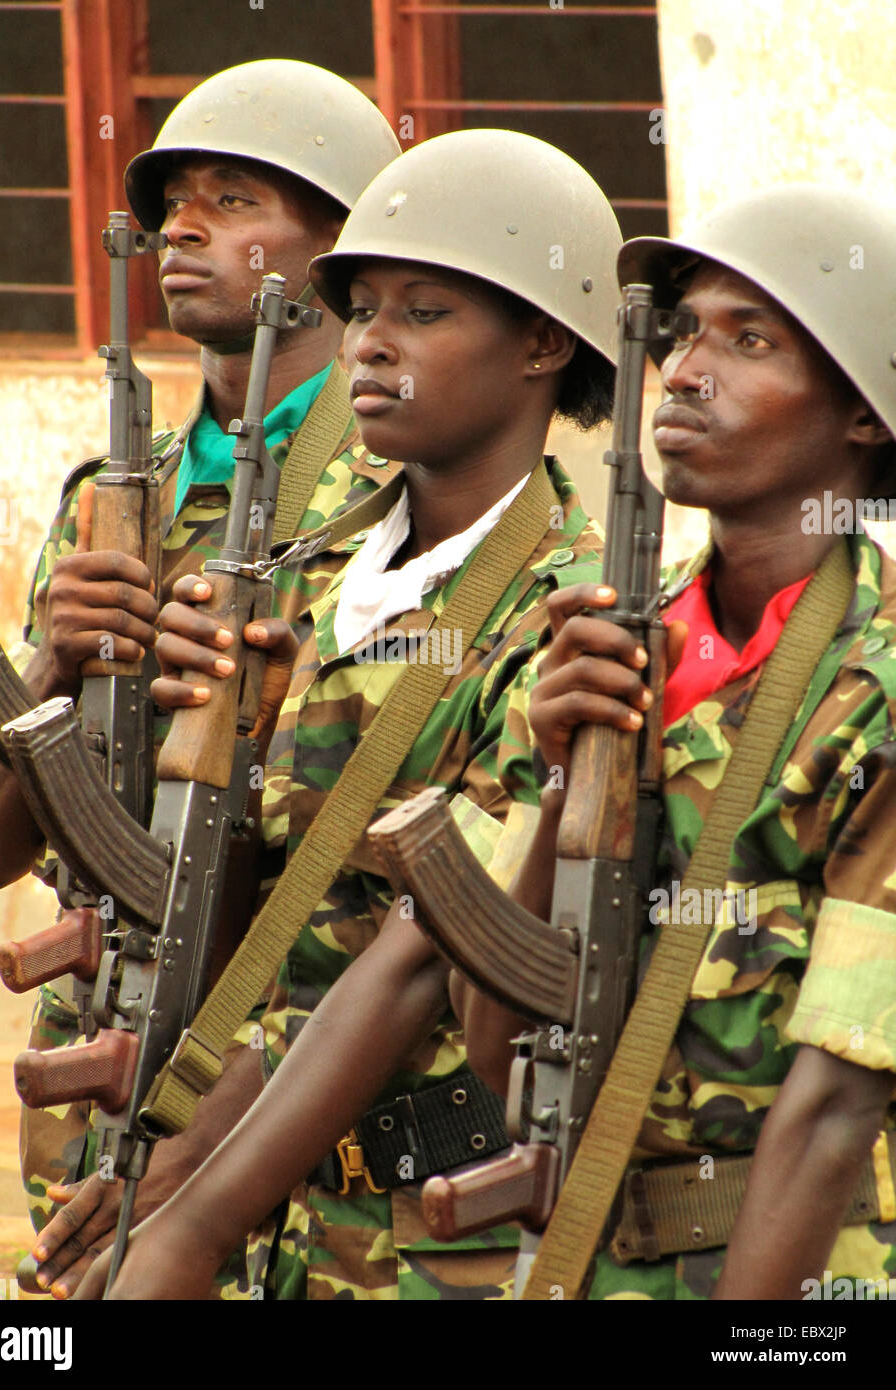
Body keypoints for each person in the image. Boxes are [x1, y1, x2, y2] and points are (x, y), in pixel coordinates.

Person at [71, 126, 622, 1300]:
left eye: (422, 313)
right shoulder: (304, 574)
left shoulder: (569, 616)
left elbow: (432, 966)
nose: (370, 342)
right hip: (249, 1188)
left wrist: (194, 1204)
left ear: (541, 340)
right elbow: (228, 900)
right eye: (363, 307)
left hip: (420, 1239)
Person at [0, 59, 400, 1291]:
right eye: (176, 204)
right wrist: (57, 654)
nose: (185, 227)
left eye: (238, 198)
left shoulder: (392, 507)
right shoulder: (110, 496)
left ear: (341, 253)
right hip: (96, 1064)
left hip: (279, 1085)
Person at [453, 184, 896, 1300]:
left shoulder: (876, 692)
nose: (687, 372)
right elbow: (492, 1046)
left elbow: (839, 1103)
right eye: (687, 332)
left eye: (750, 341)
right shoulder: (610, 651)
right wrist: (561, 785)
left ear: (862, 414)